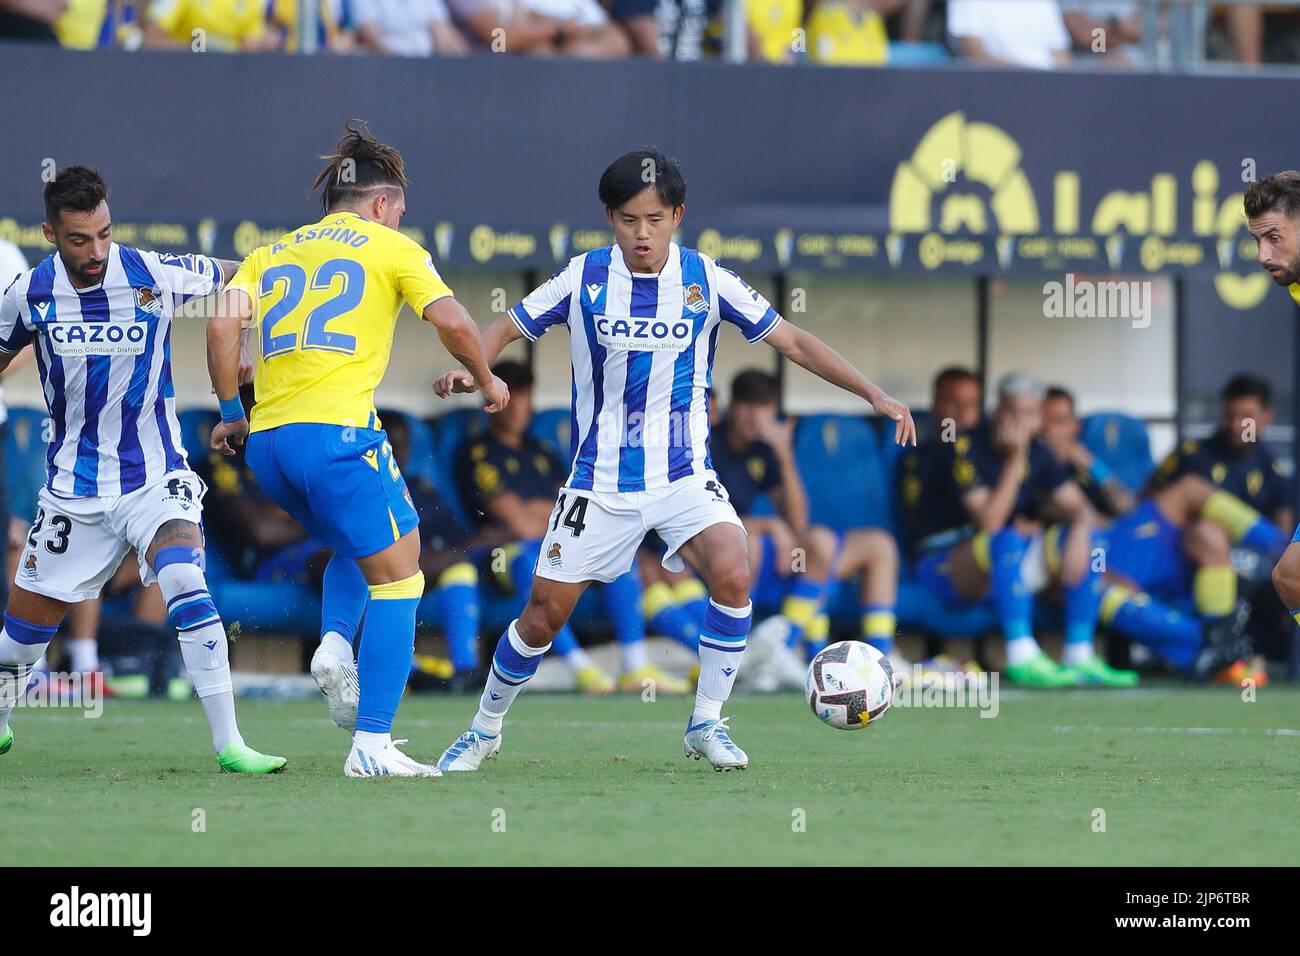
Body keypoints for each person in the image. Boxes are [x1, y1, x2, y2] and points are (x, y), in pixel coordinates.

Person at [432, 147, 915, 772]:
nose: (642, 233)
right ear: (611, 218)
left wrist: (872, 391)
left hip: (684, 475)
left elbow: (791, 339)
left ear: (677, 215)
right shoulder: (584, 277)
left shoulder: (706, 280)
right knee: (543, 616)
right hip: (598, 480)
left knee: (732, 573)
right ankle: (485, 727)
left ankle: (707, 722)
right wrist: (475, 371)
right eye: (629, 219)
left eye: (655, 218)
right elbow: (509, 324)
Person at [208, 120, 505, 778]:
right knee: (404, 574)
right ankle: (372, 744)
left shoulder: (269, 253)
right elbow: (455, 321)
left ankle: (336, 643)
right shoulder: (391, 248)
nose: (399, 221)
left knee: (358, 542)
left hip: (271, 448)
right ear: (379, 204)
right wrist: (487, 378)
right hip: (339, 436)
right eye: (398, 211)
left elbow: (223, 322)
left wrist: (232, 410)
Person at [0, 166, 284, 772]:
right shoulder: (28, 294)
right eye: (80, 239)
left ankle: (229, 743)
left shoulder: (152, 273)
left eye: (104, 233)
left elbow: (239, 276)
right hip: (73, 491)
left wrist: (258, 321)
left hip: (155, 475)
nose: (97, 251)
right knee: (20, 638)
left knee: (184, 577)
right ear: (51, 233)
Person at [454, 360, 690, 694]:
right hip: (498, 556)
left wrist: (539, 512)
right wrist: (543, 513)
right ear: (491, 397)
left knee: (619, 557)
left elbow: (575, 505)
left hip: (560, 538)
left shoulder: (542, 451)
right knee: (527, 558)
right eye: (511, 392)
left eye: (524, 394)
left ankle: (635, 666)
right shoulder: (477, 452)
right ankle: (581, 669)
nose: (518, 403)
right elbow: (519, 523)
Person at [917, 371, 1137, 686]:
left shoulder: (1039, 452)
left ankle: (1080, 654)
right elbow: (990, 522)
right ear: (996, 413)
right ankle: (1021, 655)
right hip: (943, 567)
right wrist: (1015, 458)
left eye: (1029, 413)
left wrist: (1078, 531)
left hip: (1004, 568)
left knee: (1093, 540)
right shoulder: (963, 446)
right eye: (1013, 411)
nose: (1020, 421)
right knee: (1005, 536)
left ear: (1038, 420)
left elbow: (1081, 509)